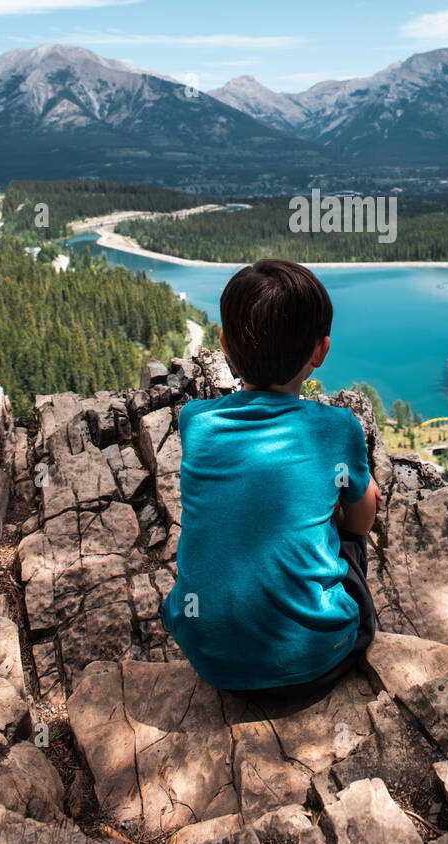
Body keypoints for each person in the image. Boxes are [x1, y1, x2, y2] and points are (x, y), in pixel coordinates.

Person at [161, 257, 380, 697]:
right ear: (321, 351)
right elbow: (362, 521)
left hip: (210, 659)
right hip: (316, 661)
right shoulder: (337, 427)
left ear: (224, 344)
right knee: (349, 540)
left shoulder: (195, 422)